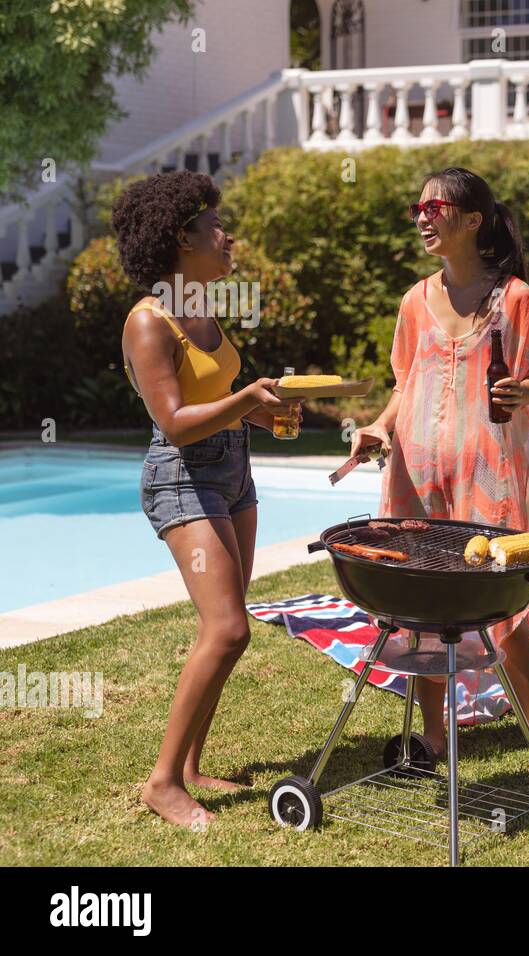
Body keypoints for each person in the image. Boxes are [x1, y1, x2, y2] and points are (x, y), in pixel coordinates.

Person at [349, 167, 529, 780]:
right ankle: (433, 736)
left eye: (435, 208)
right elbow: (406, 382)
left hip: (489, 471)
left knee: (506, 606)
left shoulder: (515, 297)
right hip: (416, 473)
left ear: (473, 220)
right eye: (417, 208)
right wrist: (379, 426)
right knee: (425, 606)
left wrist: (522, 390)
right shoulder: (414, 300)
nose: (422, 218)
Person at [115, 171, 301, 827]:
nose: (228, 236)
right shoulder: (149, 322)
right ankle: (163, 783)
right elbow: (173, 420)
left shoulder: (200, 307)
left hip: (232, 472)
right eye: (215, 226)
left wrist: (261, 415)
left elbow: (211, 400)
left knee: (222, 628)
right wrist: (248, 396)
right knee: (227, 629)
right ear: (180, 238)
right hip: (183, 476)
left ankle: (191, 766)